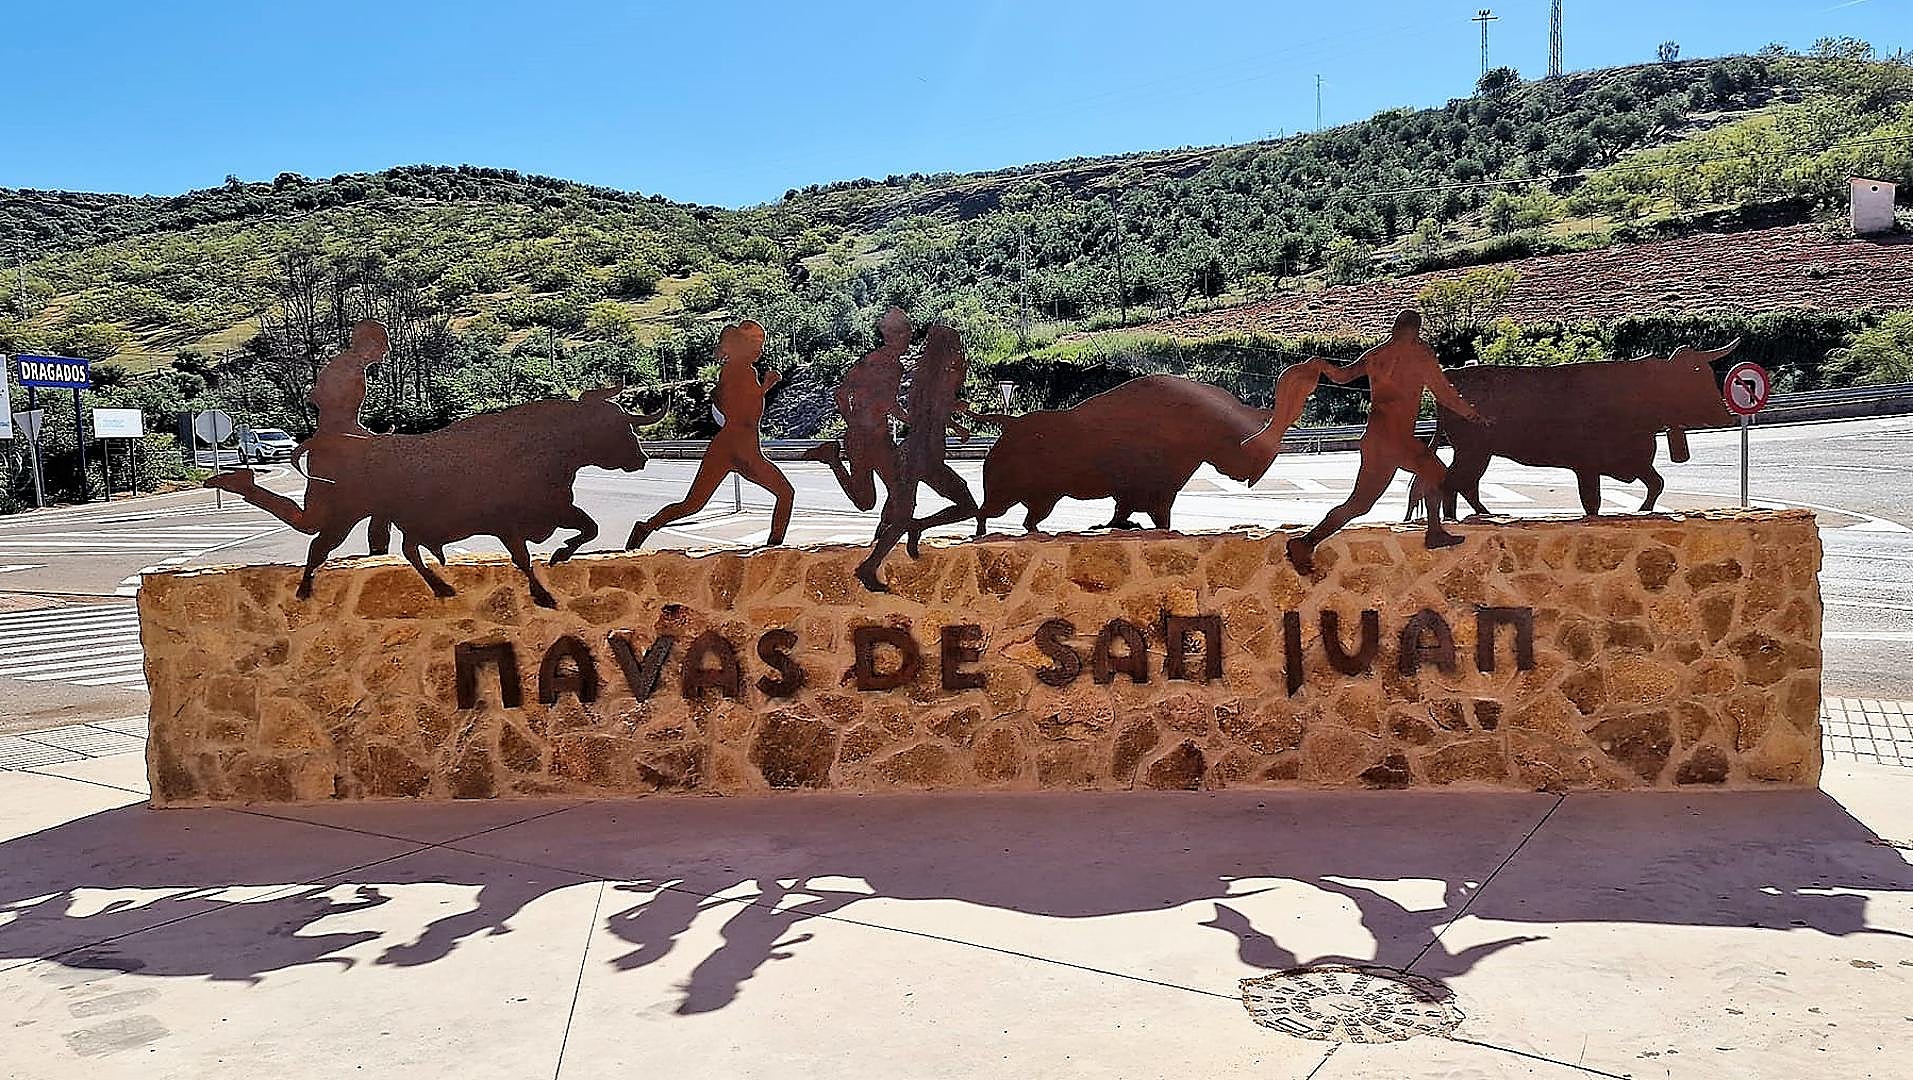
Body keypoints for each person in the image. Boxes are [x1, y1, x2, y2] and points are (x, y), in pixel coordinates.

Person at [1283, 310, 1487, 573]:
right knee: (1427, 481)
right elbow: (1444, 393)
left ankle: (1307, 542)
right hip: (1396, 440)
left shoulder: (1377, 355)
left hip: (1381, 439)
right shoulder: (1419, 356)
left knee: (1363, 502)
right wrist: (1473, 415)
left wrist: (1322, 365)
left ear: (1396, 329)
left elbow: (1343, 376)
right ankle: (1434, 532)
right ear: (1415, 331)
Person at [626, 321, 795, 549]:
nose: (760, 349)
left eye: (761, 343)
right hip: (737, 447)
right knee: (783, 493)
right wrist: (766, 385)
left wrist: (764, 387)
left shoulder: (739, 371)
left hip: (739, 447)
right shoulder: (741, 371)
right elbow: (740, 409)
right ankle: (773, 548)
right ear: (742, 345)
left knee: (693, 504)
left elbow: (743, 408)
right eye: (756, 343)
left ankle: (646, 527)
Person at [856, 323, 980, 592]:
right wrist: (956, 403)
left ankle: (915, 528)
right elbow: (933, 410)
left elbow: (928, 414)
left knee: (962, 505)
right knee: (909, 513)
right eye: (955, 346)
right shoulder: (936, 376)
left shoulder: (928, 374)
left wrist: (955, 422)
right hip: (921, 454)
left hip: (923, 453)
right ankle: (870, 565)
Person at [802, 307, 911, 513]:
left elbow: (887, 402)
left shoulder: (896, 366)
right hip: (862, 437)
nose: (909, 339)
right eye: (906, 334)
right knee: (865, 502)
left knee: (900, 489)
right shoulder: (873, 362)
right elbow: (843, 394)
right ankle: (831, 458)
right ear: (891, 336)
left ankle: (886, 535)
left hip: (880, 437)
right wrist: (854, 423)